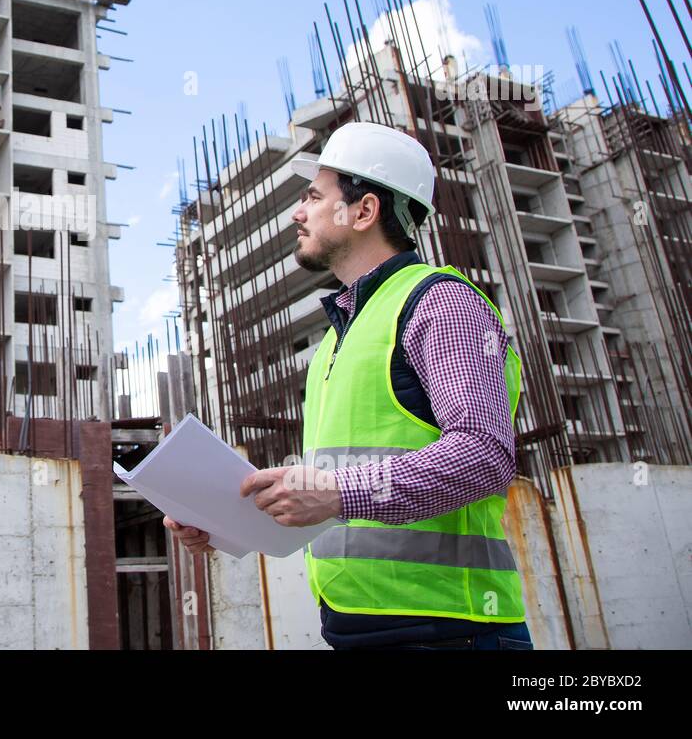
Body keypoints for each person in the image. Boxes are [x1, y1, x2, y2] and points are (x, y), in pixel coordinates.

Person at [165, 121, 533, 650]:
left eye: (314, 196)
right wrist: (222, 520)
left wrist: (336, 492)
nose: (298, 212)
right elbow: (333, 499)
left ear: (363, 212)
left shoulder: (440, 303)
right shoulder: (336, 343)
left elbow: (484, 454)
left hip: (453, 632)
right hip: (354, 630)